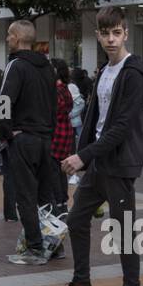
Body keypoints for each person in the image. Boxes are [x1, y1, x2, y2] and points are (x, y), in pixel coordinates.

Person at [46, 7, 143, 286]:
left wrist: (83, 156)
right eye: (105, 33)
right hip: (97, 164)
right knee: (77, 218)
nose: (111, 39)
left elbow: (120, 127)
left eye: (116, 32)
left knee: (123, 230)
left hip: (117, 164)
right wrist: (84, 154)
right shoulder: (104, 72)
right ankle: (81, 284)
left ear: (126, 33)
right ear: (97, 35)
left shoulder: (132, 74)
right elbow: (96, 121)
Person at [1, 19, 59, 264]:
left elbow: (4, 102)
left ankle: (35, 247)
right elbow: (55, 102)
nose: (6, 39)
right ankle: (53, 243)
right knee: (47, 195)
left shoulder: (15, 66)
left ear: (16, 38)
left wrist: (6, 133)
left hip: (23, 138)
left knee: (25, 195)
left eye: (8, 35)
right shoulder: (47, 67)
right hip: (46, 138)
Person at [49, 57, 76, 216]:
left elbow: (52, 111)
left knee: (54, 171)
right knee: (61, 171)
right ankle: (62, 203)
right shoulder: (65, 88)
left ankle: (58, 205)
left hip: (56, 134)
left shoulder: (56, 90)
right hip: (65, 132)